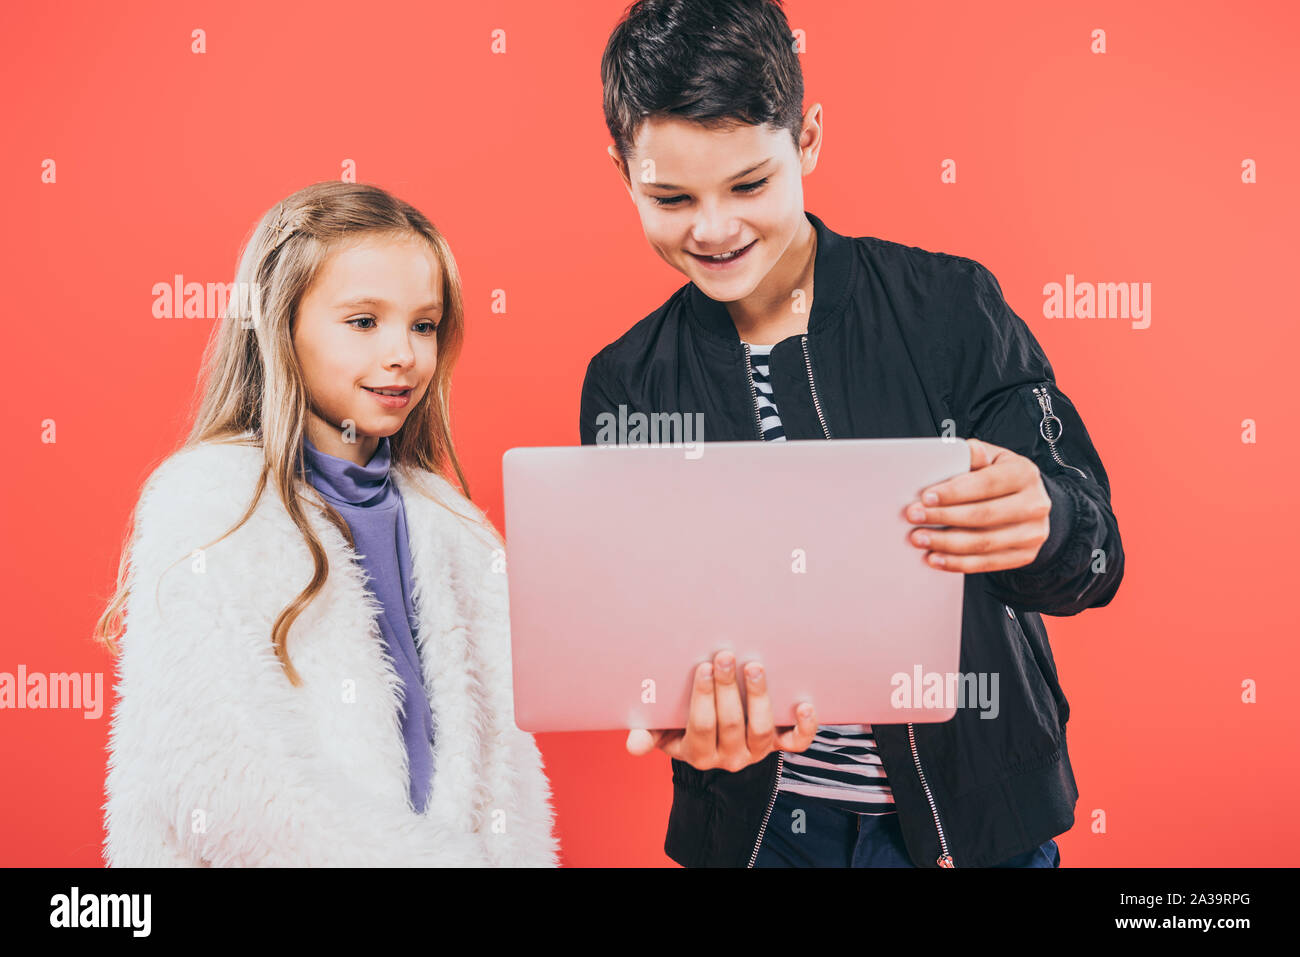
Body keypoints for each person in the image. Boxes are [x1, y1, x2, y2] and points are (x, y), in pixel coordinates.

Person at [581, 0, 1124, 867]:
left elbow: (1096, 562)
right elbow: (646, 632)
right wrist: (680, 717)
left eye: (750, 183)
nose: (714, 228)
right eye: (670, 196)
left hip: (974, 829)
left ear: (810, 141)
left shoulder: (951, 306)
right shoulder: (626, 381)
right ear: (621, 171)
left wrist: (1051, 516)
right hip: (759, 836)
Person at [97, 181, 558, 867]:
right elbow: (226, 784)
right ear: (282, 326)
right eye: (364, 321)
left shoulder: (455, 532)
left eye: (423, 324)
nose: (403, 352)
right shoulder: (211, 508)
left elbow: (503, 783)